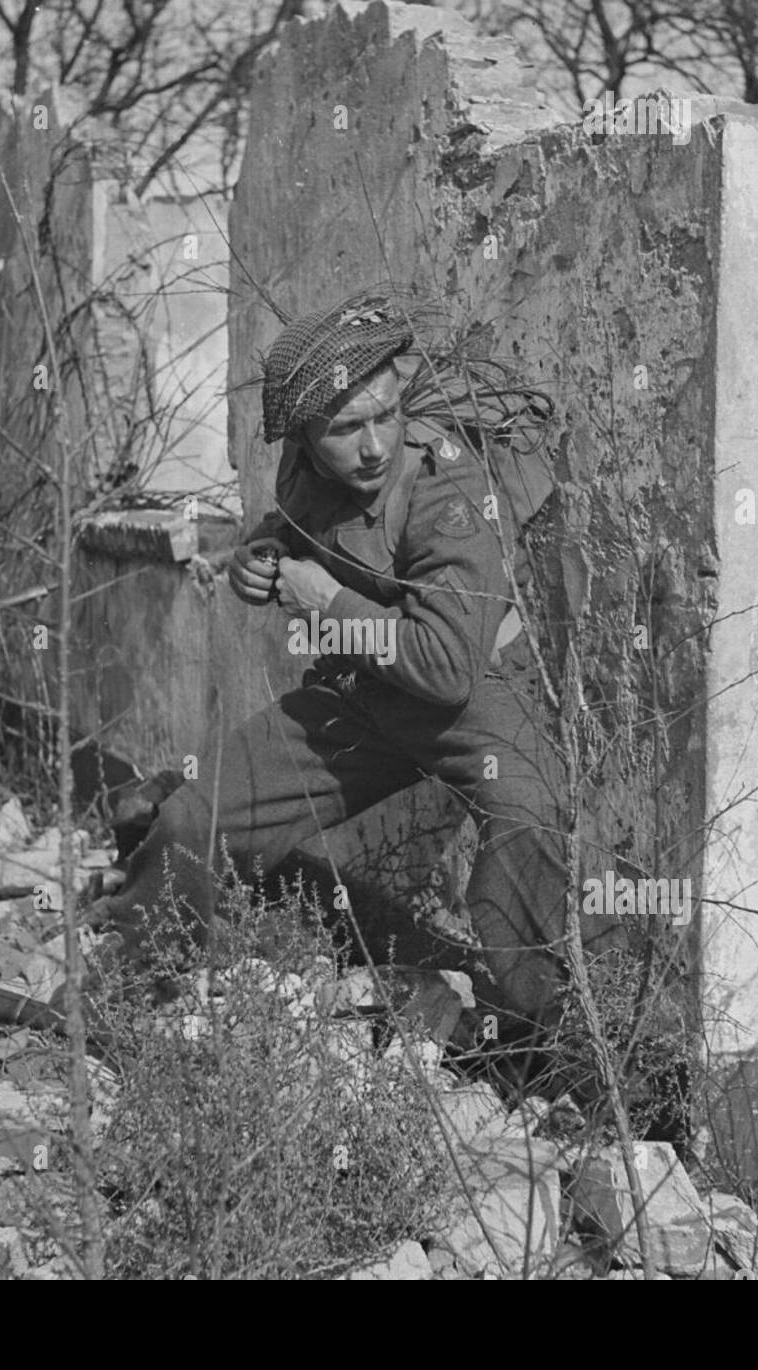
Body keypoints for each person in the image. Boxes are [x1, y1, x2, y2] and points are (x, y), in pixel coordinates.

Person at [93, 295, 569, 1035]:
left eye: (386, 414)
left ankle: (571, 1045)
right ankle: (124, 992)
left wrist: (327, 602)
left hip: (468, 702)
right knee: (194, 813)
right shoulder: (308, 468)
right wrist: (262, 557)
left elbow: (446, 666)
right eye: (347, 430)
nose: (374, 445)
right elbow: (297, 526)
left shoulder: (449, 491)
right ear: (308, 438)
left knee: (527, 829)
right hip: (358, 696)